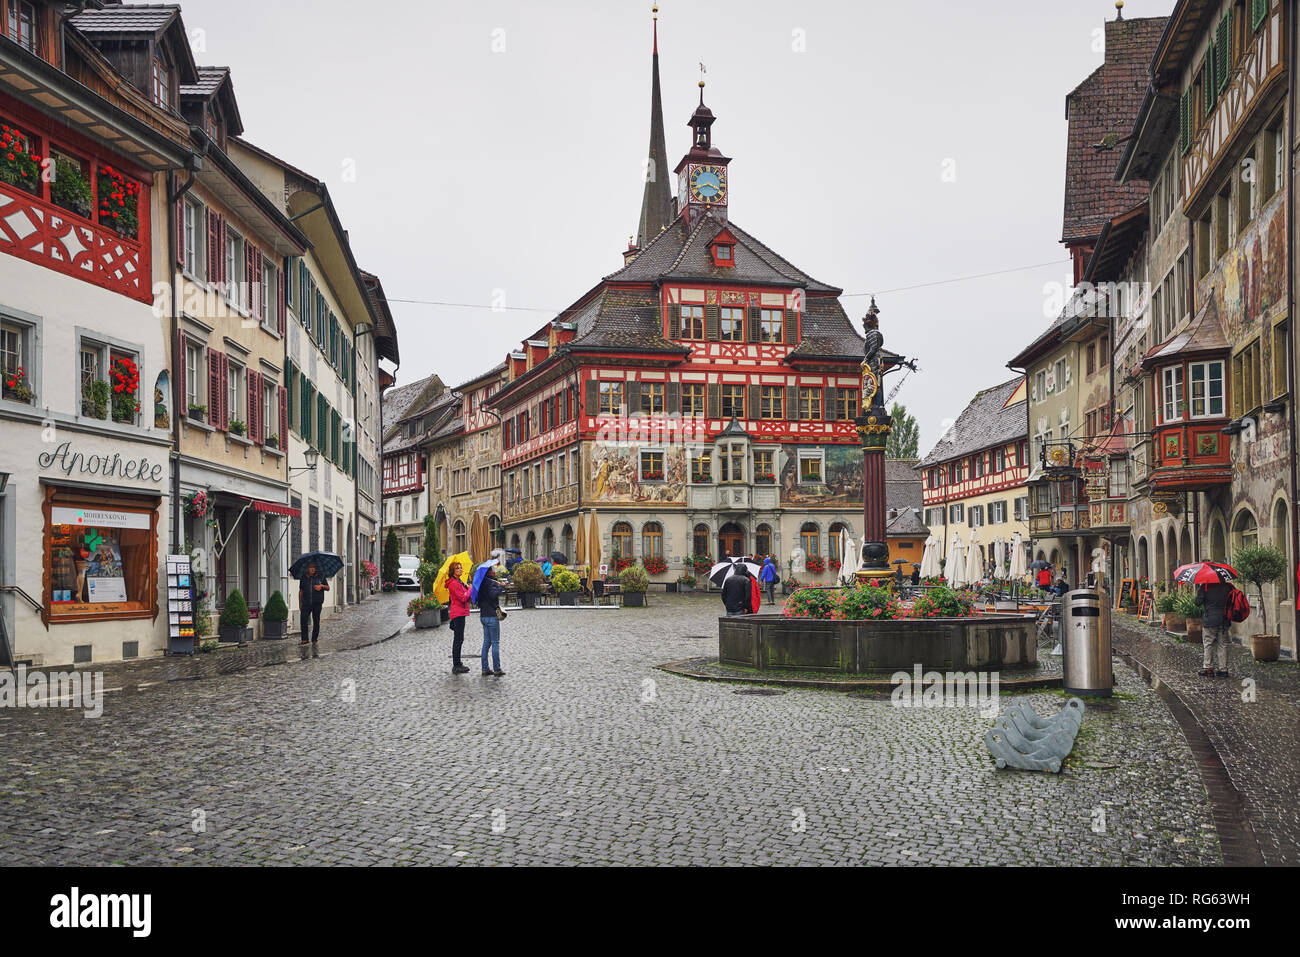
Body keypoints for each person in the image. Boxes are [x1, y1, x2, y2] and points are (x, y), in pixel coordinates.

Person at [1196, 580, 1232, 678]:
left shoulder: (1205, 586)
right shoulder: (1228, 586)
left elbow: (1197, 602)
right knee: (1223, 644)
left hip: (1210, 620)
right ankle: (1223, 670)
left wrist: (1200, 591)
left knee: (1208, 643)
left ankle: (1208, 669)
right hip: (1224, 619)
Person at [477, 565, 506, 677]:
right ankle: (497, 669)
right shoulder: (490, 583)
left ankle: (485, 668)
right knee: (495, 643)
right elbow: (493, 595)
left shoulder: (480, 583)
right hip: (491, 616)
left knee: (486, 643)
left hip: (483, 616)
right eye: (492, 570)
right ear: (488, 572)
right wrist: (501, 587)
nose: (494, 571)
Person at [446, 562, 471, 674]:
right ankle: (456, 665)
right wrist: (469, 590)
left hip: (461, 612)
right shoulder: (454, 584)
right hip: (458, 613)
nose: (460, 570)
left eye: (461, 568)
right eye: (457, 568)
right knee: (458, 640)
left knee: (459, 639)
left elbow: (465, 596)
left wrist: (467, 589)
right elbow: (462, 597)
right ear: (453, 571)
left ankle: (458, 663)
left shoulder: (458, 582)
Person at [298, 562, 329, 645]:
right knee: (303, 620)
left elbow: (328, 588)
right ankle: (305, 639)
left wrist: (321, 586)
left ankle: (314, 639)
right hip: (306, 602)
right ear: (307, 568)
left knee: (316, 621)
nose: (312, 569)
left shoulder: (321, 576)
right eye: (311, 567)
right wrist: (300, 603)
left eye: (314, 567)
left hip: (317, 603)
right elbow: (301, 591)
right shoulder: (304, 578)